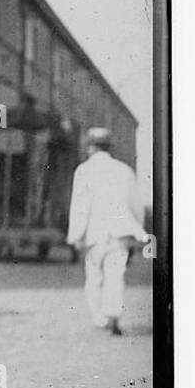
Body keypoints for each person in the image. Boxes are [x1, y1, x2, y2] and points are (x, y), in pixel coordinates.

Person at [65, 128, 146, 336]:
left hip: (94, 234)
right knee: (115, 275)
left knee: (94, 277)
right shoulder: (124, 170)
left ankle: (99, 317)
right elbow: (136, 205)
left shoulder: (84, 171)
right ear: (110, 147)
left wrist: (76, 235)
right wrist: (135, 229)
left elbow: (80, 205)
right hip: (120, 233)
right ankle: (113, 315)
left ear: (90, 147)